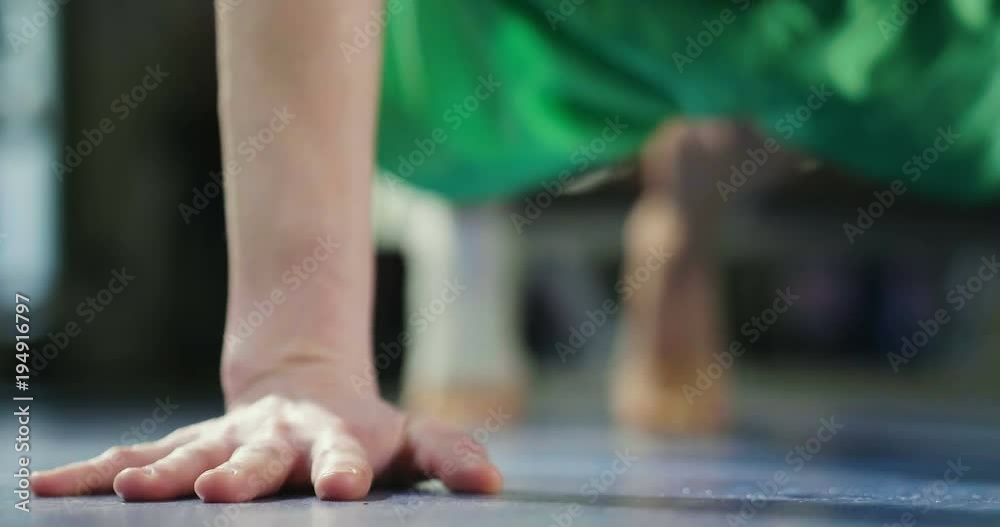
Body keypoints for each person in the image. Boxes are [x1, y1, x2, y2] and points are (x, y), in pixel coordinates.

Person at [33, 0, 1000, 502]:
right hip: (542, 30)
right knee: (418, 125)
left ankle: (692, 192)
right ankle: (668, 170)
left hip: (911, 41)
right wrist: (301, 354)